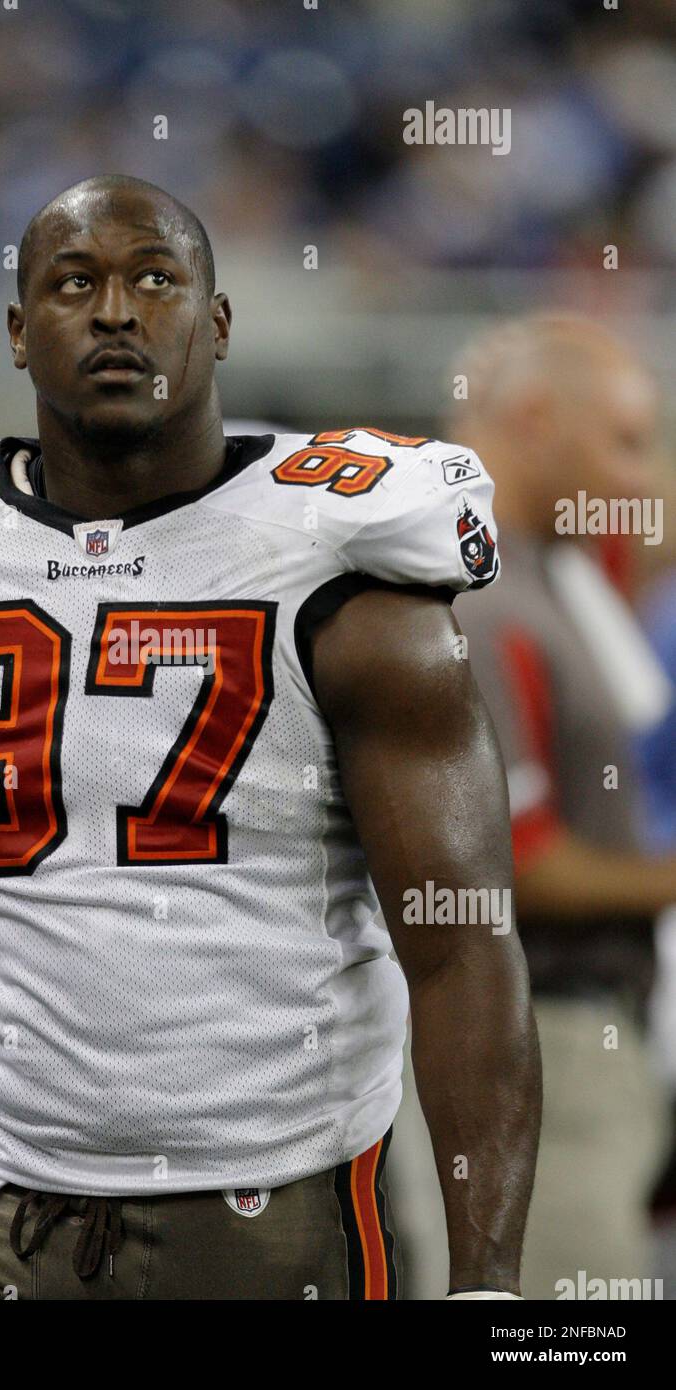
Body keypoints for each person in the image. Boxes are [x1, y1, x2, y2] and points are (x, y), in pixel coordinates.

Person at [0, 175, 539, 1301]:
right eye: (74, 283)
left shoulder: (347, 577)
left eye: (154, 277)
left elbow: (461, 947)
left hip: (274, 1194)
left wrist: (488, 1286)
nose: (115, 310)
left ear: (216, 325)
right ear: (19, 334)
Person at [396, 313, 673, 1300]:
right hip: (532, 1045)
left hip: (574, 1035)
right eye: (626, 441)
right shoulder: (477, 588)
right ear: (536, 418)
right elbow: (519, 863)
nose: (642, 479)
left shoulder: (545, 557)